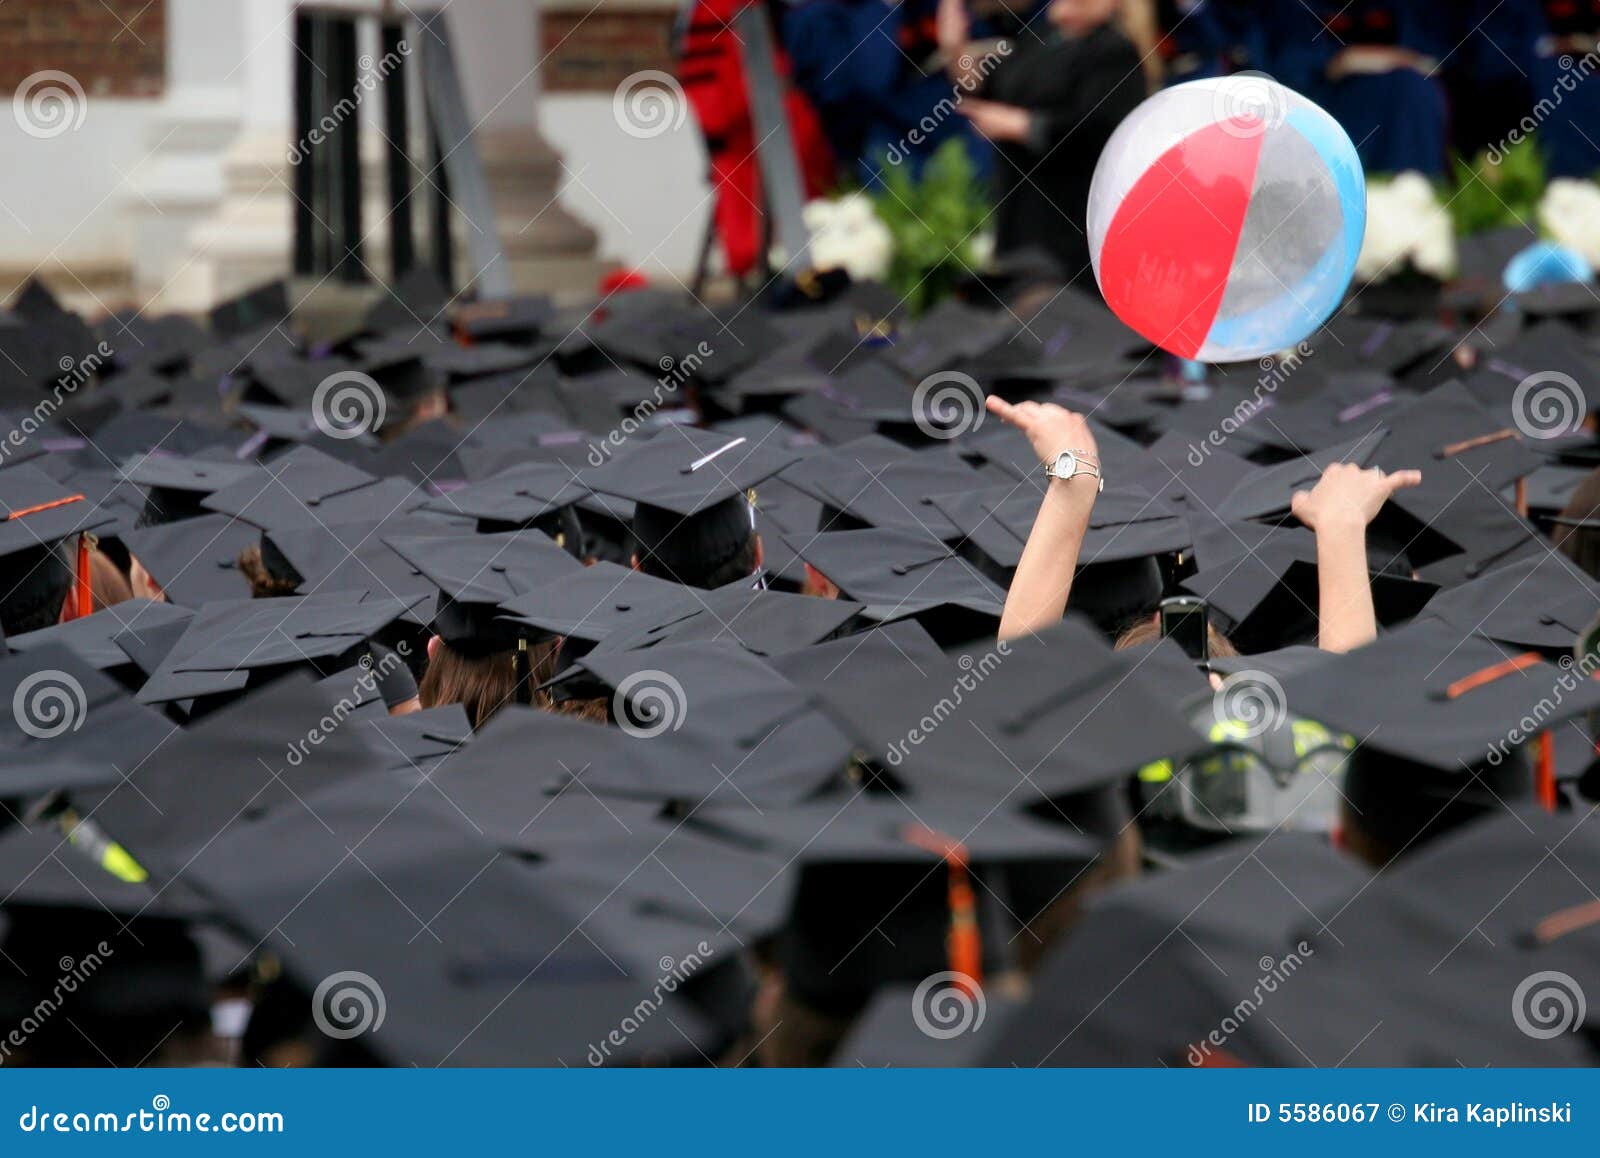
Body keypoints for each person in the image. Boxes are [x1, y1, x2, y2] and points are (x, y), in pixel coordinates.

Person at [944, 0, 1148, 285]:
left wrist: (1021, 126)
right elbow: (990, 86)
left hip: (1068, 213)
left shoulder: (1114, 51)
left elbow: (1096, 128)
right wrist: (955, 47)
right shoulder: (1042, 38)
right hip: (1021, 203)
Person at [1269, 1, 1450, 176]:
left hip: (1399, 104)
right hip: (1325, 108)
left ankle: (1414, 186)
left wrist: (1360, 59)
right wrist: (1345, 60)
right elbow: (1296, 69)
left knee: (1415, 89)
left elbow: (1431, 61)